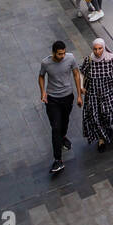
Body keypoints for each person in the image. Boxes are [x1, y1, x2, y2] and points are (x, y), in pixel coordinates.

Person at [80, 38, 113, 152]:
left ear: (104, 48)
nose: (97, 51)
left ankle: (106, 129)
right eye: (95, 49)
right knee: (95, 115)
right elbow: (82, 73)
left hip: (108, 93)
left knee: (107, 114)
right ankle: (101, 139)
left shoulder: (110, 59)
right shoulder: (89, 60)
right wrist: (81, 86)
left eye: (100, 48)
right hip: (93, 94)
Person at [38, 41, 83, 175]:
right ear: (53, 52)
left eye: (63, 53)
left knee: (64, 123)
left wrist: (79, 95)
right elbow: (41, 76)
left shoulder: (70, 58)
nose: (62, 56)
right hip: (52, 99)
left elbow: (76, 74)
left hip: (67, 97)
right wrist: (43, 93)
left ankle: (63, 137)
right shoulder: (46, 63)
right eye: (59, 54)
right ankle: (58, 160)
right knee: (55, 128)